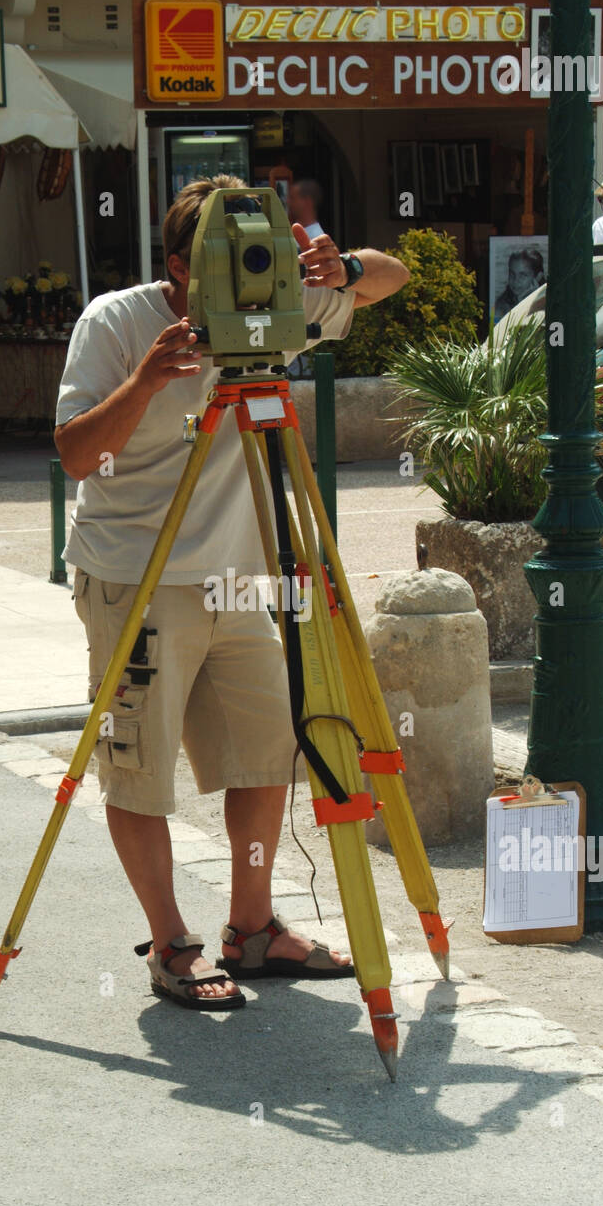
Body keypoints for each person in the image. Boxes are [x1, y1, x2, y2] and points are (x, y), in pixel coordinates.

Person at [54, 174, 409, 1011]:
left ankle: (250, 931)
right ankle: (171, 943)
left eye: (269, 259)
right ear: (176, 265)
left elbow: (392, 273)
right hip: (136, 574)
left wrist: (341, 270)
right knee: (138, 769)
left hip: (243, 579)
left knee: (263, 755)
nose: (250, 280)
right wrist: (144, 381)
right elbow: (73, 455)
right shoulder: (116, 321)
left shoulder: (278, 305)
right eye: (228, 263)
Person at [493, 247, 545, 320]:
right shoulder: (501, 304)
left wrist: (534, 302)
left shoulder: (548, 304)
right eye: (512, 274)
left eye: (523, 275)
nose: (515, 280)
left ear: (538, 277)